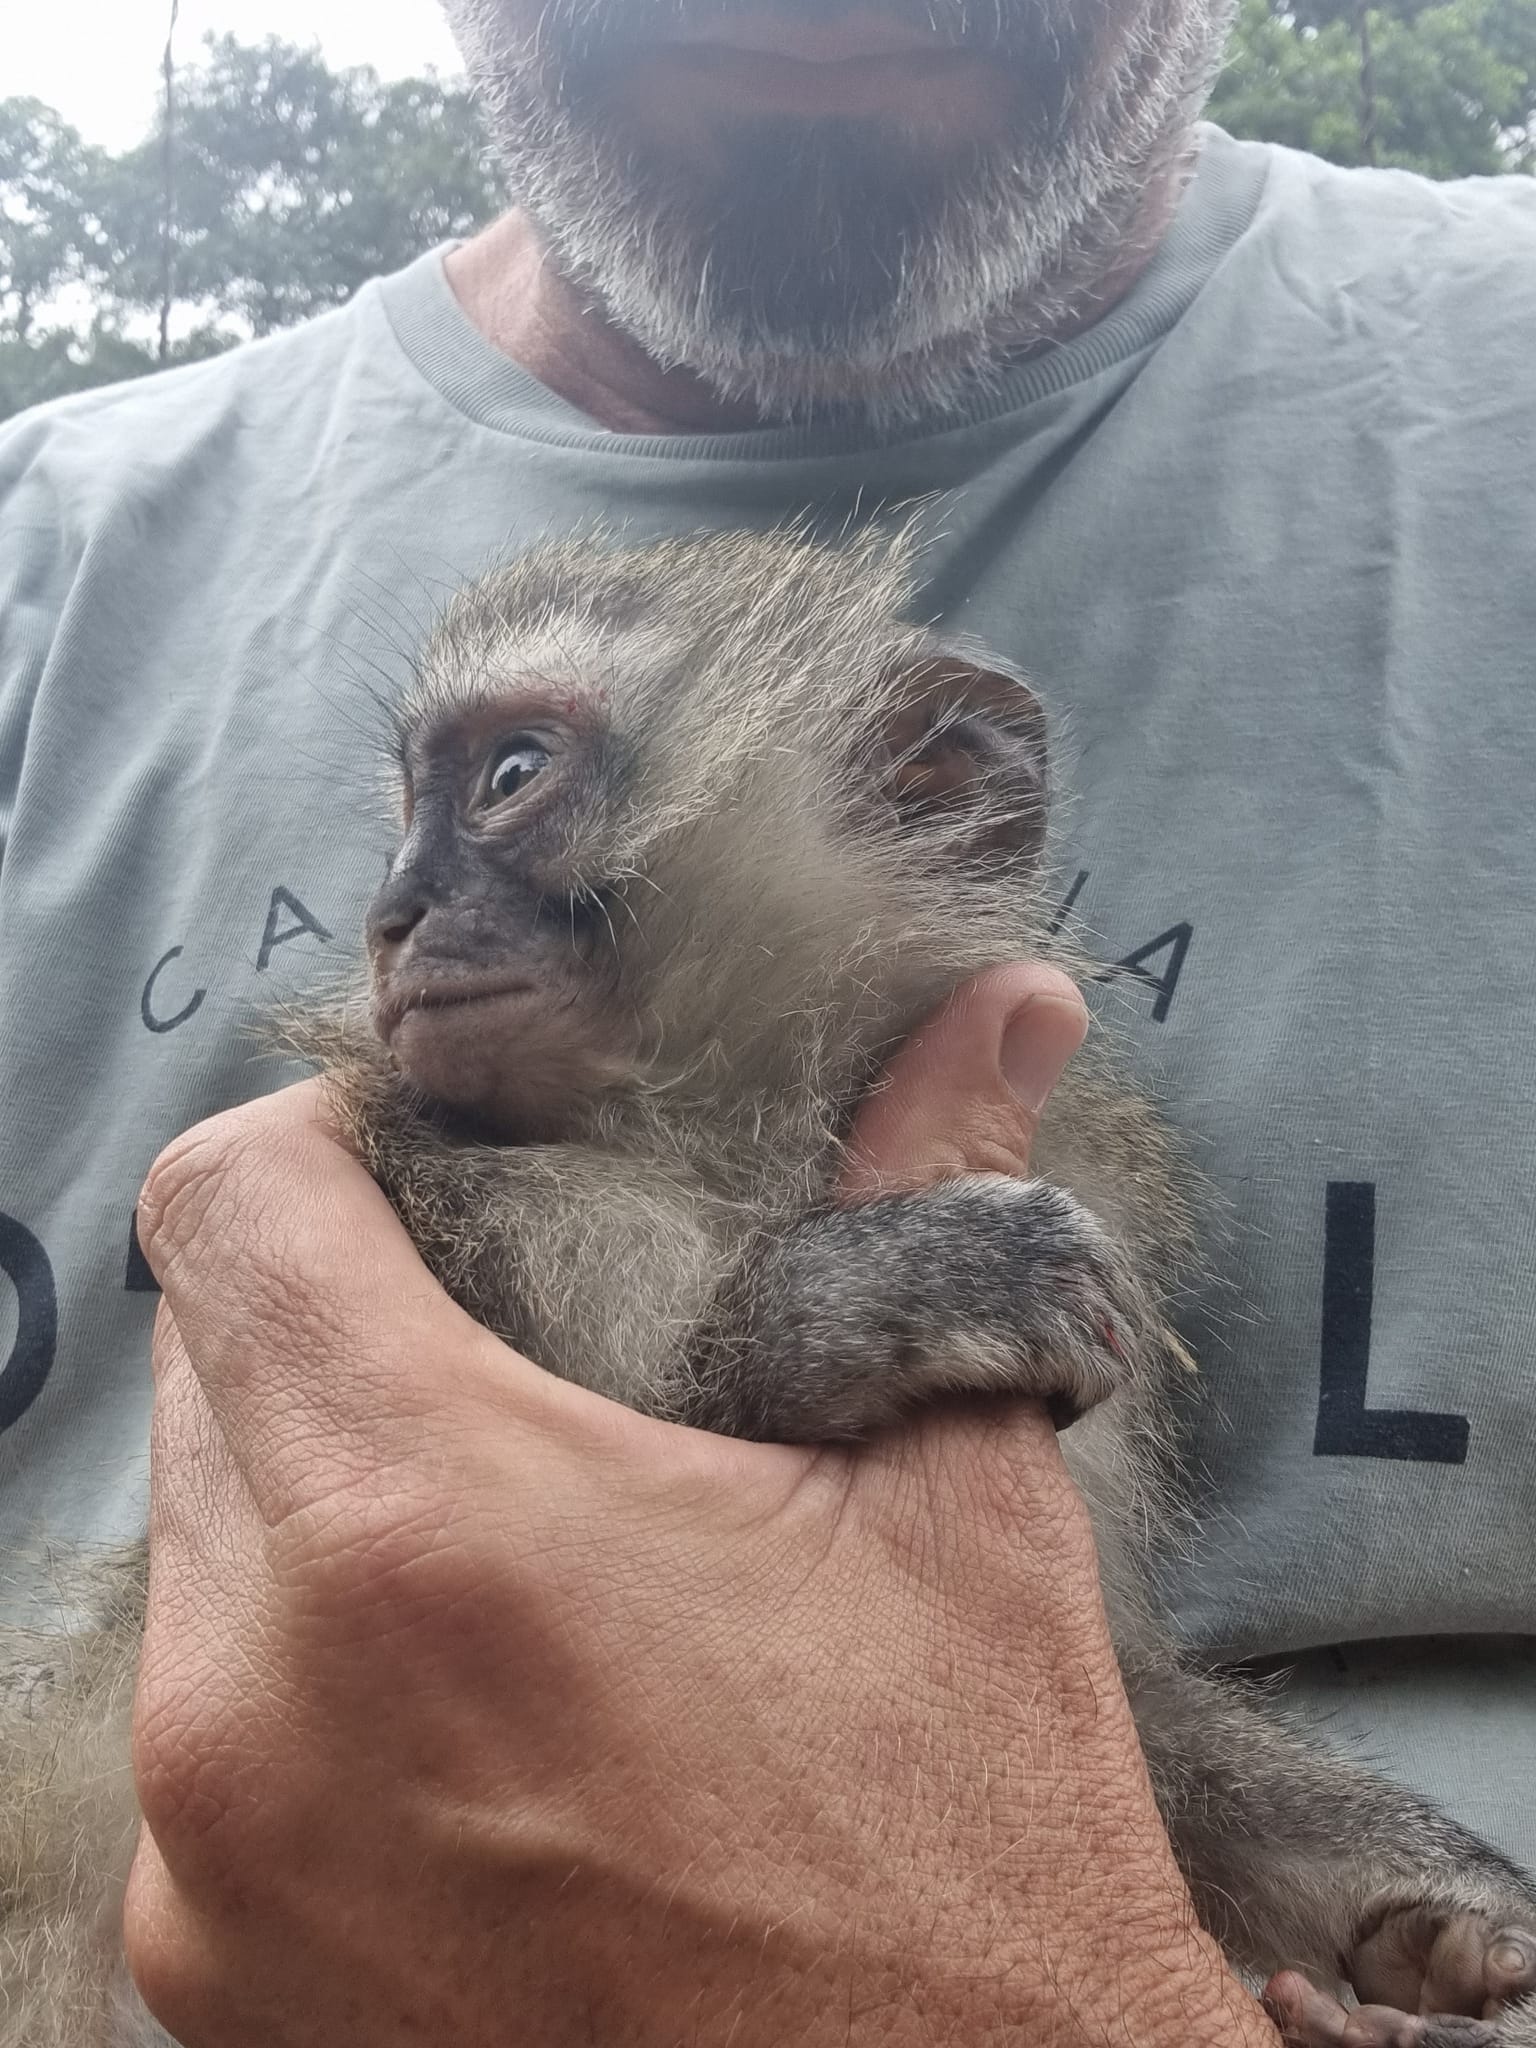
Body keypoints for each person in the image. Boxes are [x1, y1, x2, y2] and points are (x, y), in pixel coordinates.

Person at [1, 0, 1534, 2034]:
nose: (399, 922)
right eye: (420, 814)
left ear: (937, 799)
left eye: (517, 789)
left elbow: (1035, 1690)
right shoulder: (52, 569)